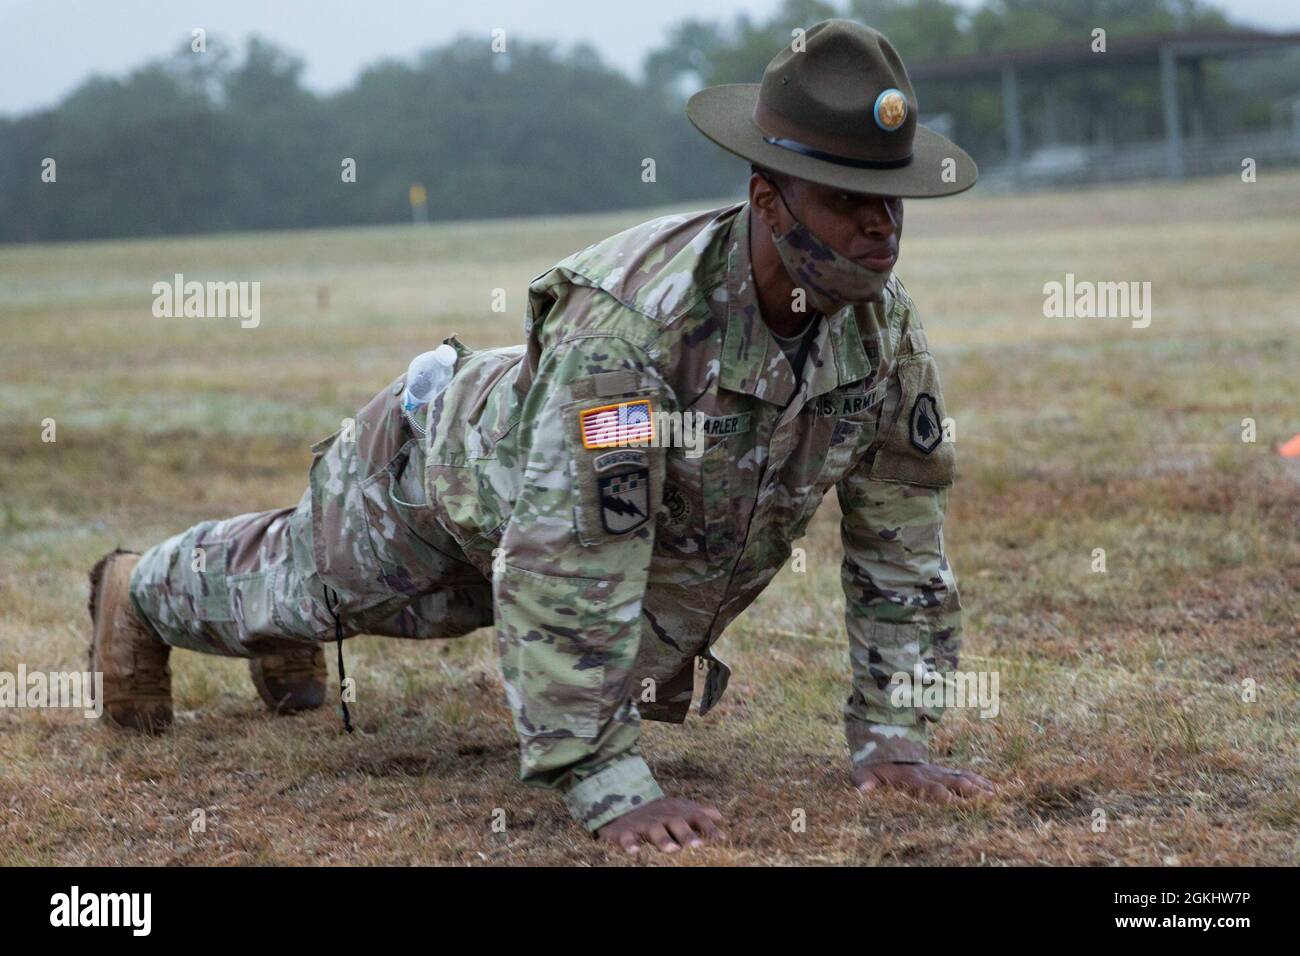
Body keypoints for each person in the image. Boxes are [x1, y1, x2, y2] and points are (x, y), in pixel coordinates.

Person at [88, 19, 994, 855]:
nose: (882, 227)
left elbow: (902, 547)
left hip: (535, 525)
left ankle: (280, 621)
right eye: (847, 200)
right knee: (310, 586)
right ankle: (138, 590)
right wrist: (608, 779)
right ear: (768, 198)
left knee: (441, 609)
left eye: (893, 200)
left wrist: (896, 738)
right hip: (433, 473)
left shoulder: (879, 328)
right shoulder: (633, 333)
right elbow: (570, 563)